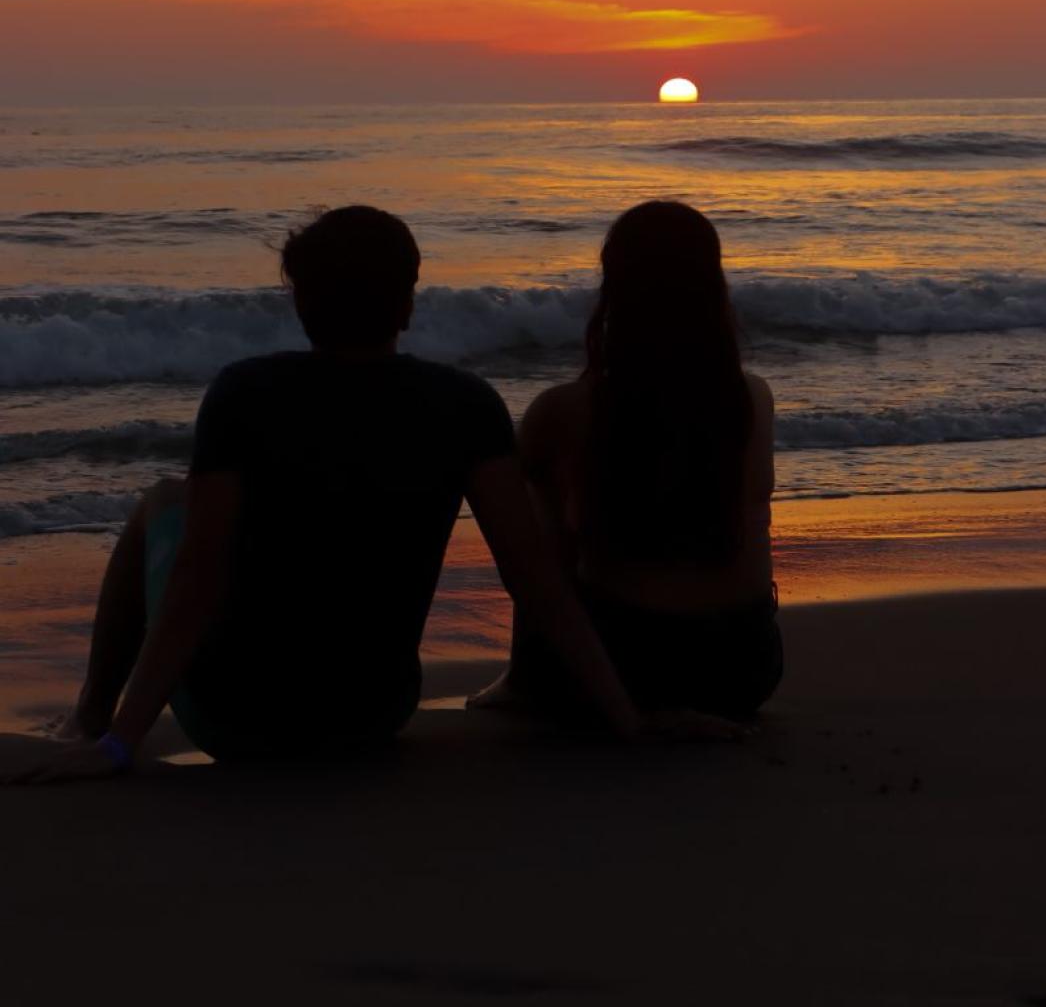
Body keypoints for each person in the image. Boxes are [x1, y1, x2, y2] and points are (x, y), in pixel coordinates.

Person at [7, 205, 650, 783]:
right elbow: (533, 580)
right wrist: (628, 719)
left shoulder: (246, 393)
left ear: (301, 304)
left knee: (162, 503)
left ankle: (91, 720)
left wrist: (125, 743)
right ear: (407, 302)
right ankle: (98, 724)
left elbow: (196, 581)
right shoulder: (465, 404)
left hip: (240, 719)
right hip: (369, 714)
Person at [471, 200, 782, 726]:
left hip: (622, 661)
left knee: (538, 522)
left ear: (614, 289)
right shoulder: (752, 398)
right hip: (745, 666)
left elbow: (538, 559)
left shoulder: (563, 409)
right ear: (713, 286)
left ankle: (524, 679)